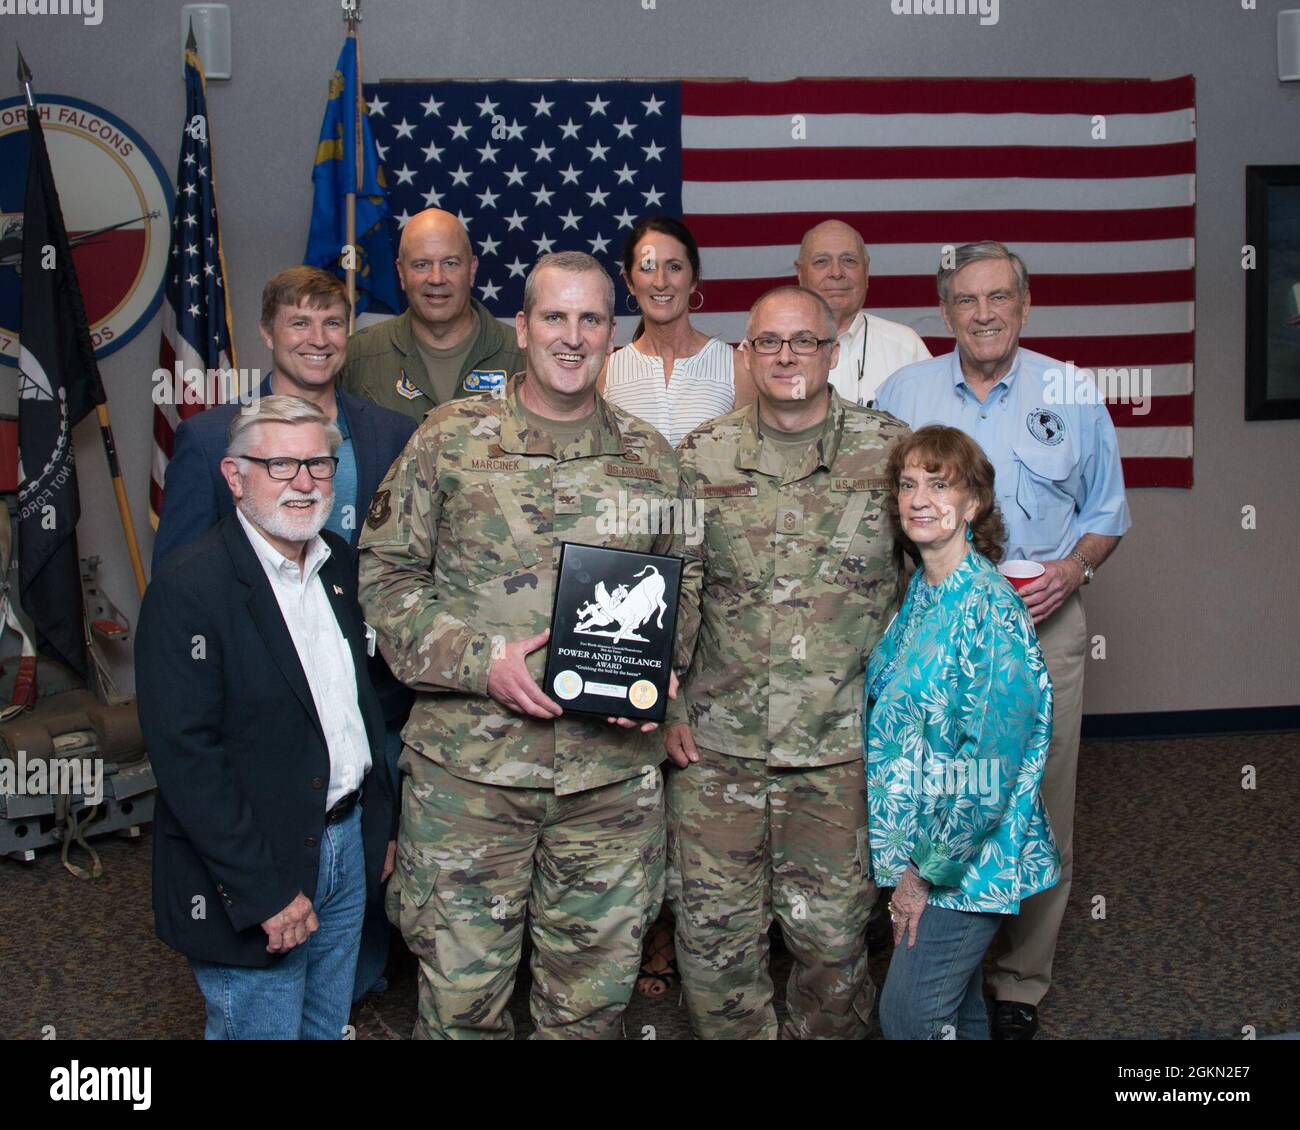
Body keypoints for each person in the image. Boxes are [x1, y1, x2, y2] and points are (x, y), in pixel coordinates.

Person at [359, 251, 687, 1040]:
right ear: (522, 327)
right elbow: (385, 577)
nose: (571, 338)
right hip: (471, 783)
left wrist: (659, 671)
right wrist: (482, 662)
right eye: (554, 317)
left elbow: (690, 581)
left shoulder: (653, 460)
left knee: (589, 1007)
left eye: (591, 319)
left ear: (613, 332)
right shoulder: (448, 440)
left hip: (608, 786)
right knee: (461, 1006)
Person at [875, 240, 1130, 1038]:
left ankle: (1018, 985)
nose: (982, 314)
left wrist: (1074, 568)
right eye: (966, 300)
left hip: (1043, 626)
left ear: (1024, 305)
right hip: (934, 625)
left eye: (998, 298)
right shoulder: (904, 387)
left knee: (1033, 803)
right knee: (925, 779)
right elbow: (880, 506)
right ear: (945, 311)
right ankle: (950, 971)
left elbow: (1108, 514)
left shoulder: (1071, 389)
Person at [152, 266, 414, 1003]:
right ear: (267, 334)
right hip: (258, 725)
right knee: (266, 981)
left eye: (332, 323)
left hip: (367, 704)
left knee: (349, 932)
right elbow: (182, 598)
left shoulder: (390, 431)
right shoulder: (211, 440)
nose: (318, 338)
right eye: (298, 323)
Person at [664, 284, 910, 1039]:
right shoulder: (700, 455)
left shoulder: (893, 453)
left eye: (804, 341)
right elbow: (668, 588)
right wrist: (663, 702)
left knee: (832, 947)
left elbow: (934, 589)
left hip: (841, 751)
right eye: (769, 342)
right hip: (716, 752)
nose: (786, 356)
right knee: (713, 947)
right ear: (746, 354)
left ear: (832, 353)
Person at [136, 396, 395, 1040]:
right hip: (259, 865)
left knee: (327, 1027)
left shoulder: (338, 565)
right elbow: (187, 760)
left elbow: (358, 709)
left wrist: (379, 828)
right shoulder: (190, 588)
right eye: (279, 464)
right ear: (234, 476)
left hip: (344, 844)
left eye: (318, 463)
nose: (304, 482)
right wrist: (262, 892)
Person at [865, 424, 1061, 1040]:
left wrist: (923, 875)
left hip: (965, 866)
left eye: (939, 484)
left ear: (973, 502)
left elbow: (989, 770)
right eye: (908, 484)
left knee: (909, 1017)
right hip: (927, 852)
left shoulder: (989, 606)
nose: (920, 498)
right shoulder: (922, 592)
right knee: (959, 1015)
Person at [342, 208, 525, 418]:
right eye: (422, 265)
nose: (436, 278)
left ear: (472, 270)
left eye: (450, 263)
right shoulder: (358, 356)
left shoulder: (523, 357)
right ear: (401, 273)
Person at [600, 216, 748, 447]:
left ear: (693, 279)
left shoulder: (738, 367)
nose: (661, 282)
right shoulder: (605, 372)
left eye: (674, 267)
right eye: (647, 267)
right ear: (629, 281)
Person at [795, 219, 930, 407]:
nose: (836, 272)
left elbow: (929, 430)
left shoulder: (906, 347)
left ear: (866, 272)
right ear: (800, 274)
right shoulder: (767, 346)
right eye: (821, 262)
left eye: (849, 261)